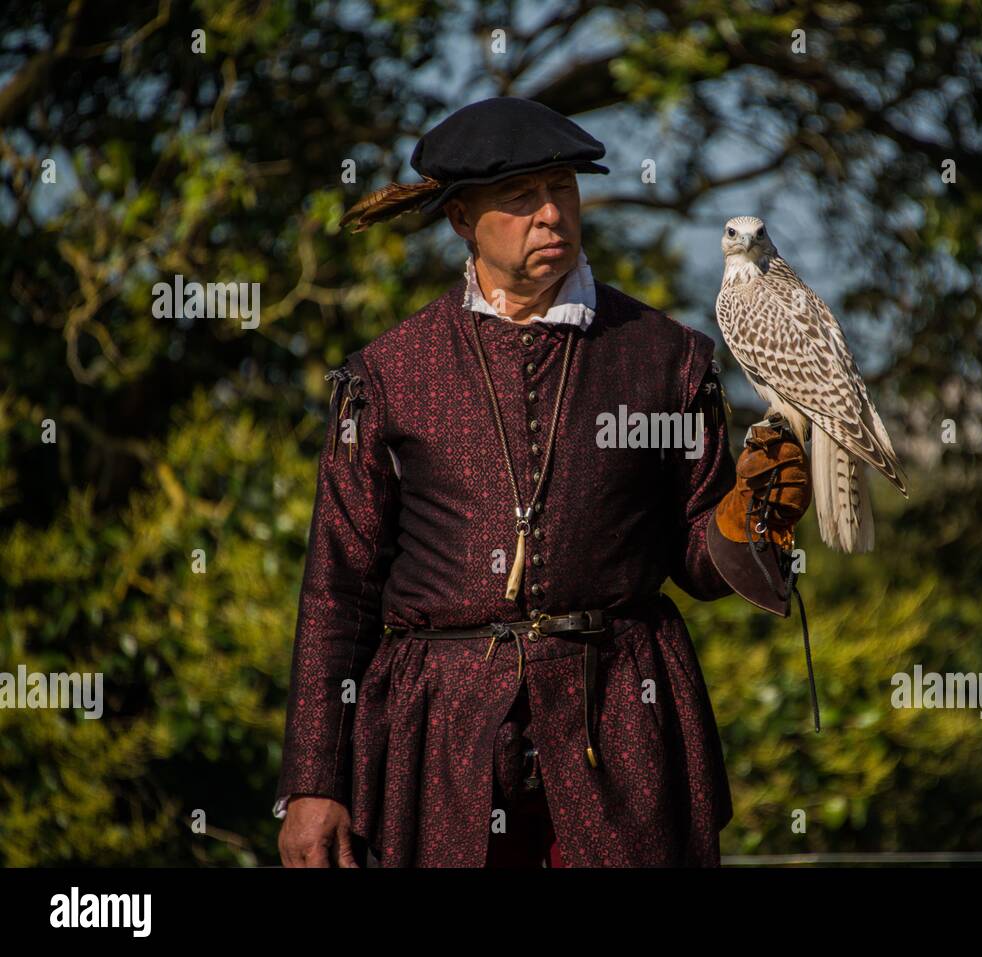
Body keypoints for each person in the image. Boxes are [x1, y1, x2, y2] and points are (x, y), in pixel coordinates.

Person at [274, 96, 812, 867]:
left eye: (561, 188)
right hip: (440, 743)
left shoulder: (664, 357)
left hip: (622, 726)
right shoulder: (391, 375)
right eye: (520, 200)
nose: (551, 213)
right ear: (463, 219)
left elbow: (698, 556)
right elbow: (339, 588)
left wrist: (745, 520)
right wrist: (313, 780)